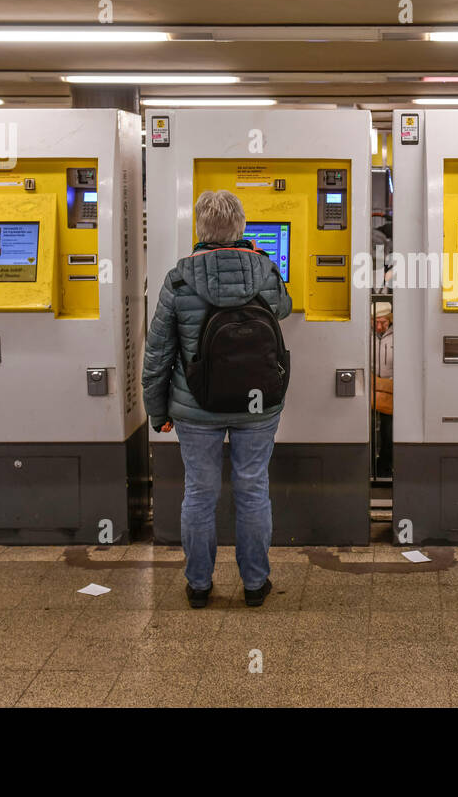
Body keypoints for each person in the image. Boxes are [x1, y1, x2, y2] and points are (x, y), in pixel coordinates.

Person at [142, 189, 292, 609]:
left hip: (196, 406)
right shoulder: (264, 269)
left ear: (200, 229)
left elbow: (158, 352)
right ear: (240, 227)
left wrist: (158, 411)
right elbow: (283, 309)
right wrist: (262, 261)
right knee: (252, 489)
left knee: (200, 492)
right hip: (258, 403)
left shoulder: (177, 278)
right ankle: (255, 585)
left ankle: (200, 586)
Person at [373, 302, 393, 477]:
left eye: (383, 322)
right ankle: (369, 466)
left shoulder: (397, 336)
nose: (379, 327)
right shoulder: (365, 334)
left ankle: (384, 468)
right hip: (370, 389)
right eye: (376, 322)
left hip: (390, 390)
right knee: (369, 431)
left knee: (389, 432)